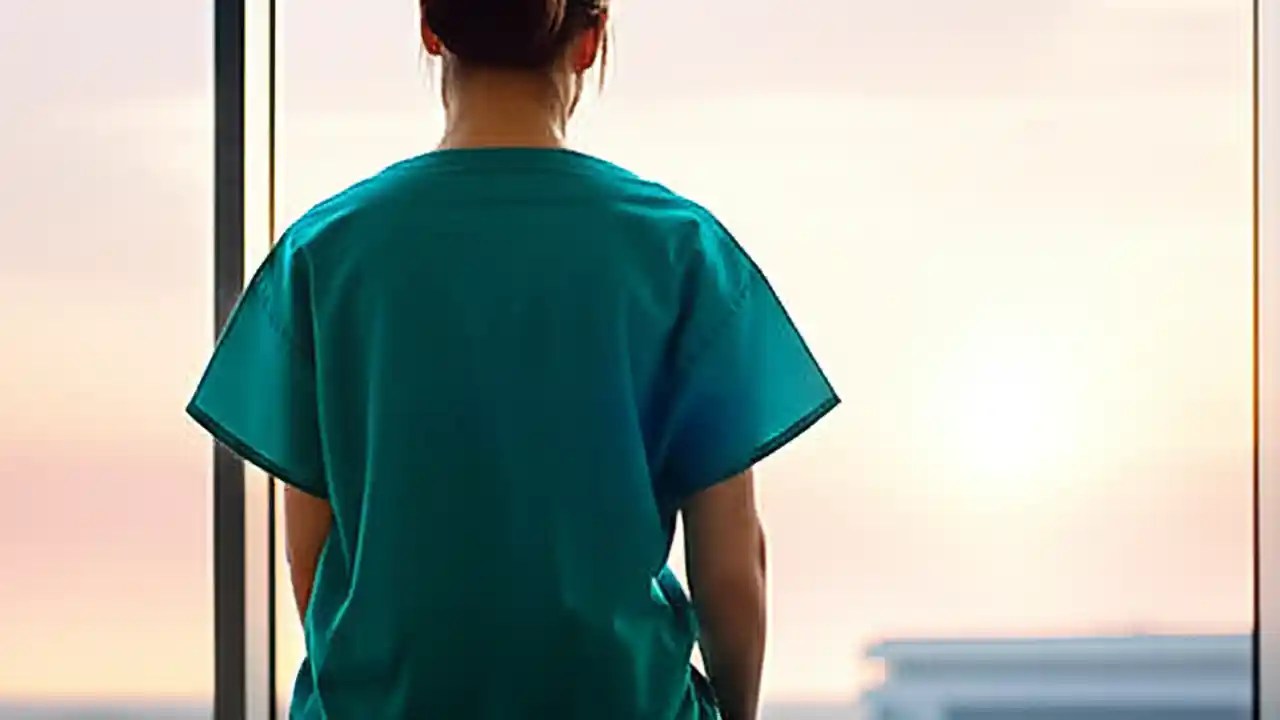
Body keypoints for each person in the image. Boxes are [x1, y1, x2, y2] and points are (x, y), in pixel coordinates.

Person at [187, 0, 838, 717]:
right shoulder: (681, 250)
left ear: (432, 31)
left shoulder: (326, 251)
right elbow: (730, 568)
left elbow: (313, 557)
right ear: (588, 42)